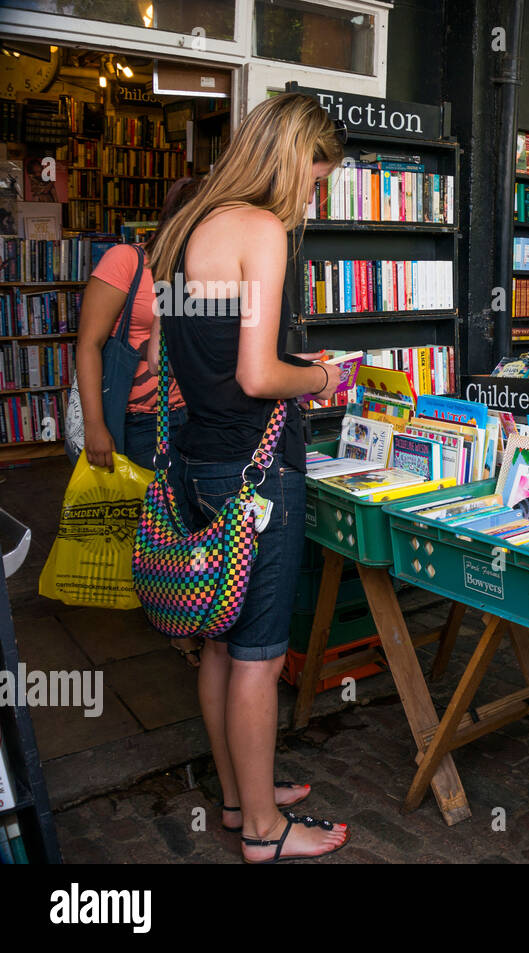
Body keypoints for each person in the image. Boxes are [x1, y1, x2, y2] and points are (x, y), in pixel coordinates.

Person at [143, 93, 347, 863]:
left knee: (219, 648)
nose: (313, 197)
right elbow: (258, 374)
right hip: (255, 475)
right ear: (293, 157)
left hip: (198, 461)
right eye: (317, 178)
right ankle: (266, 831)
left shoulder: (188, 225)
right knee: (260, 653)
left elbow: (197, 362)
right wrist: (324, 375)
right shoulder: (262, 230)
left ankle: (239, 798)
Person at [78, 178, 204, 667]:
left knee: (179, 518)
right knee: (157, 518)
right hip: (136, 419)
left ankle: (174, 611)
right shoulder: (127, 262)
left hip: (188, 415)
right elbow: (89, 343)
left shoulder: (198, 271)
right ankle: (172, 622)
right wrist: (95, 425)